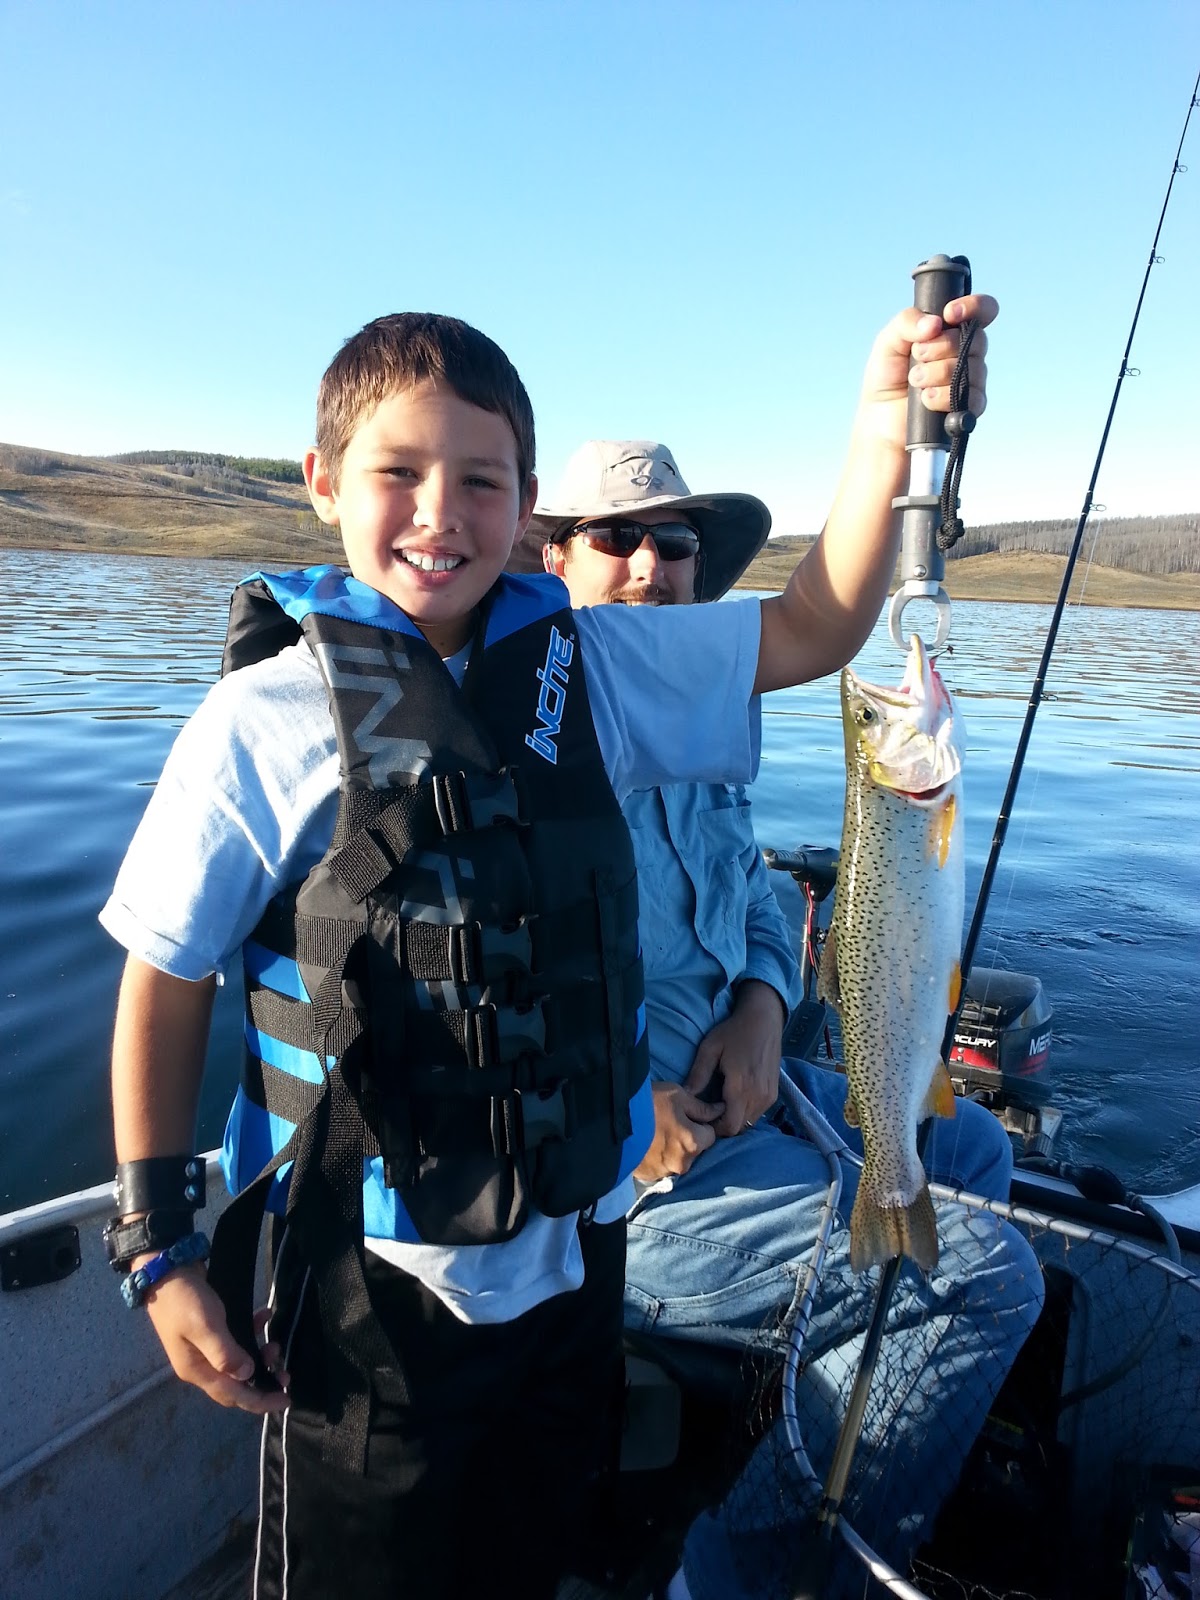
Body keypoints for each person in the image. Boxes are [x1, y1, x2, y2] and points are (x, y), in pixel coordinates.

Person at [100, 293, 999, 1600]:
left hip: (580, 1259)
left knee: (532, 1563)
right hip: (371, 1303)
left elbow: (817, 625)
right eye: (397, 472)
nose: (438, 511)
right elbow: (164, 981)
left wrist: (882, 427)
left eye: (478, 478)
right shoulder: (259, 724)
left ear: (518, 504)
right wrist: (158, 1246)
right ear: (320, 483)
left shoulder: (599, 671)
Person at [539, 442, 1043, 1600]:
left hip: (750, 1106)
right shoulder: (533, 735)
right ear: (551, 553)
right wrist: (623, 1112)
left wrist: (765, 1004)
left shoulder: (699, 742)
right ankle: (735, 1573)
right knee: (985, 1277)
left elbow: (763, 897)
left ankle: (868, 1426)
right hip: (618, 1190)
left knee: (965, 1145)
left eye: (675, 546)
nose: (649, 567)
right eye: (616, 539)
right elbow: (478, 991)